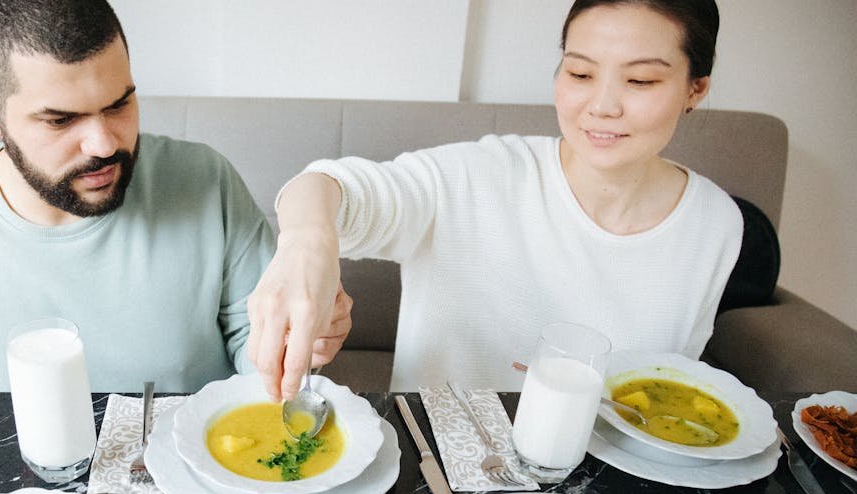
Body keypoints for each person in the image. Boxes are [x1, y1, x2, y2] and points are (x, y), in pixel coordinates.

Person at [0, 0, 351, 419]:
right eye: (61, 120)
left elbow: (257, 344)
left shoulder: (205, 179)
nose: (102, 144)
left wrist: (298, 342)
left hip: (202, 476)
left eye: (119, 105)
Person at [247, 0, 741, 400]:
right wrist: (307, 243)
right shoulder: (480, 176)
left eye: (640, 81)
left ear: (695, 89)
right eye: (580, 74)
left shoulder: (716, 222)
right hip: (440, 474)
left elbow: (672, 388)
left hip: (619, 482)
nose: (602, 106)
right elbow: (337, 189)